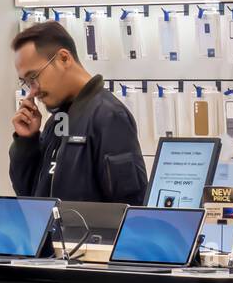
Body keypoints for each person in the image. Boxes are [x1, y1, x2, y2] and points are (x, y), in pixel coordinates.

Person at [9, 20, 147, 204]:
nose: (32, 91)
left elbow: (130, 207)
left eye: (34, 77)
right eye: (26, 82)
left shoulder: (109, 116)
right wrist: (26, 142)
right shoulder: (58, 119)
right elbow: (30, 197)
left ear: (64, 58)